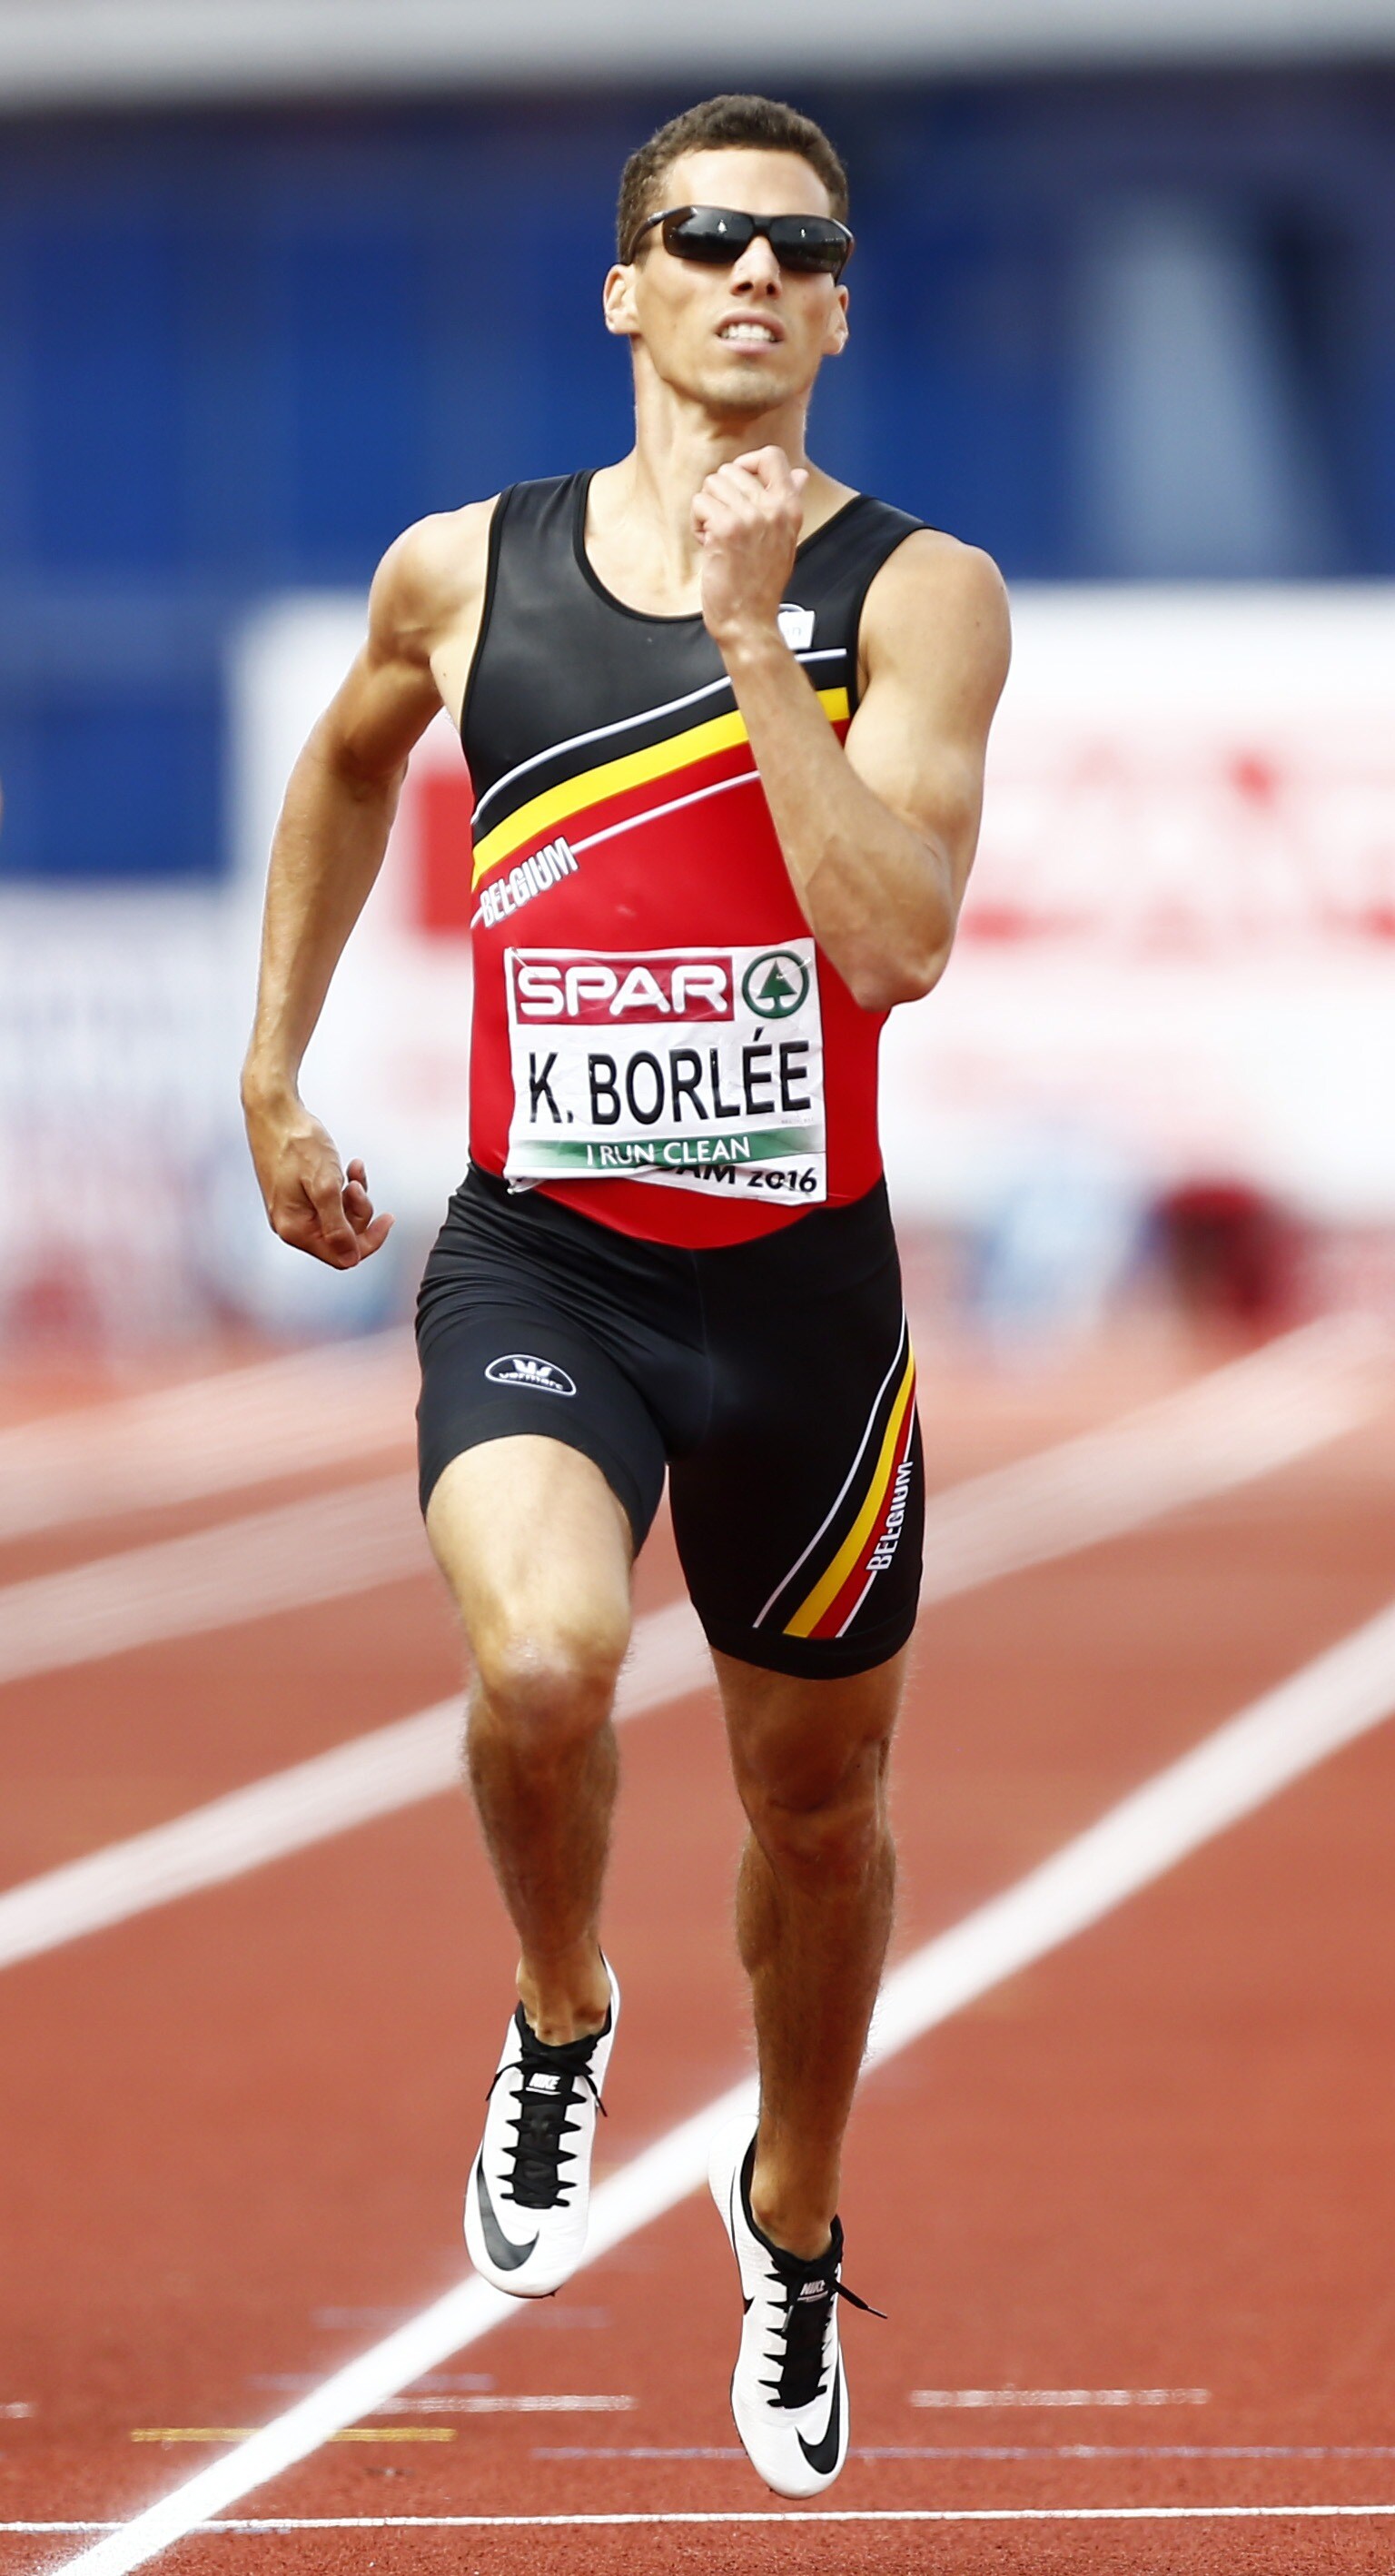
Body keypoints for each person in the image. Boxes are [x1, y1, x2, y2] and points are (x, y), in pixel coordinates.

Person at [242, 91, 1009, 2500]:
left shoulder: (918, 598)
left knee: (816, 1803)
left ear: (841, 304)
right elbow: (352, 761)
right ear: (629, 286)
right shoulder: (460, 575)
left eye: (800, 245)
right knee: (546, 1657)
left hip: (805, 1298)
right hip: (549, 1254)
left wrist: (747, 649)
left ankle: (787, 2212)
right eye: (706, 238)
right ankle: (561, 2008)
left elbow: (892, 939)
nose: (753, 275)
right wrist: (271, 1068)